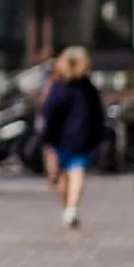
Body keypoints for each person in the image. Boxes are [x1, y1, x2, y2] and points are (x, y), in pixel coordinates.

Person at [39, 46, 106, 229]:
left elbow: (48, 112)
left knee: (64, 174)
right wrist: (98, 134)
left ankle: (68, 207)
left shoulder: (59, 88)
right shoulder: (88, 88)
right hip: (83, 137)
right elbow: (98, 113)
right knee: (77, 172)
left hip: (60, 138)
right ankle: (71, 207)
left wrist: (46, 136)